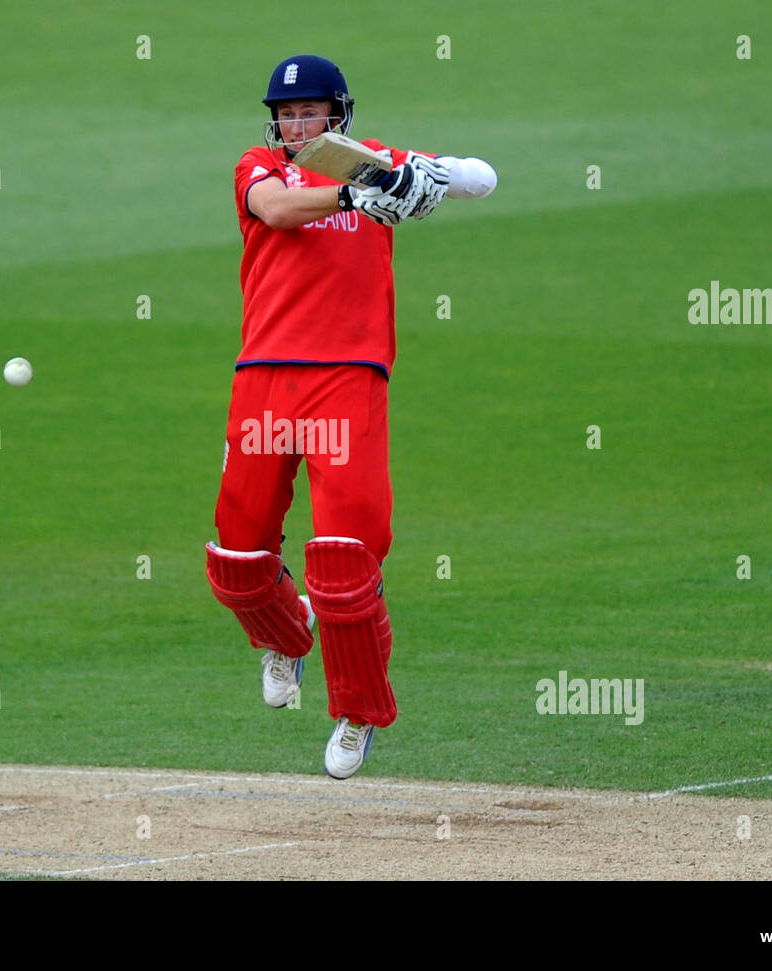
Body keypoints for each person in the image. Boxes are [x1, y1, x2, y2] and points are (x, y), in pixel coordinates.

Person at [205, 54, 489, 779]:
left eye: (312, 112)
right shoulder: (258, 165)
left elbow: (480, 177)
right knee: (238, 558)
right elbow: (273, 209)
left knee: (343, 557)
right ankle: (285, 634)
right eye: (287, 113)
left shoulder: (375, 161)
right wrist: (357, 198)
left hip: (347, 374)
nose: (298, 124)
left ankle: (359, 713)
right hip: (264, 373)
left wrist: (425, 177)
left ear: (339, 113)